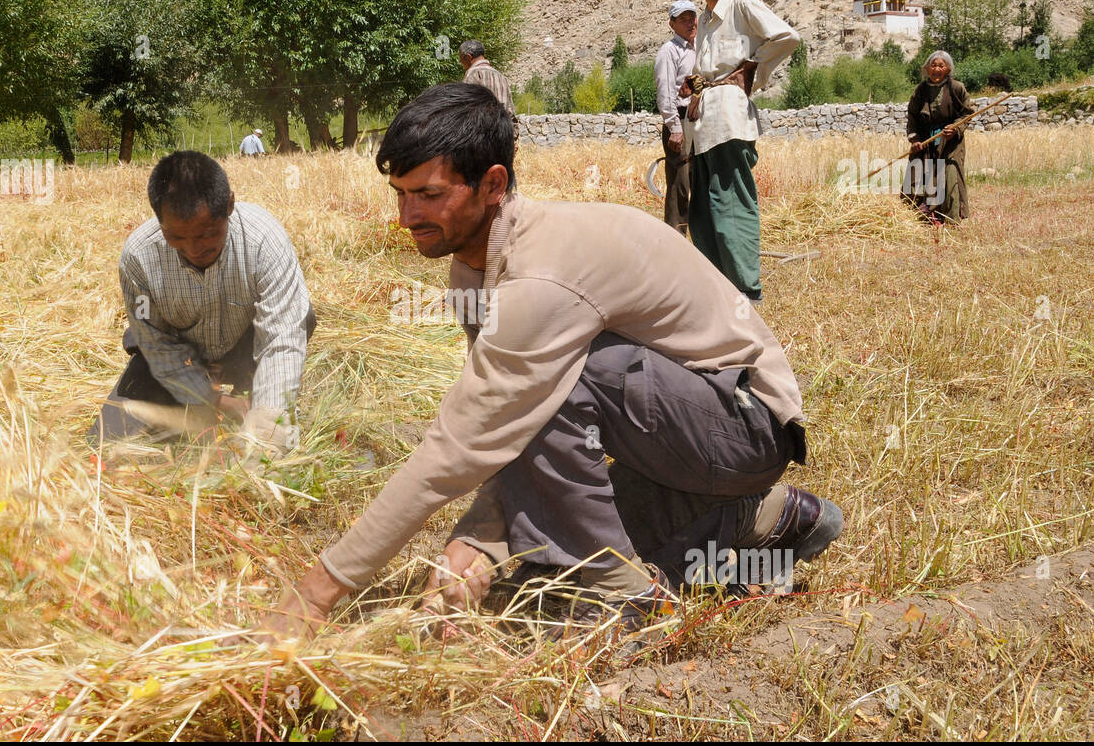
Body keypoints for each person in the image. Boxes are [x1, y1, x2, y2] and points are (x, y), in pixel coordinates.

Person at [264, 83, 843, 641]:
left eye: (430, 195)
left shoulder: (539, 279)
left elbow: (462, 442)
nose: (408, 216)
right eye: (401, 194)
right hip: (682, 432)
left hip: (746, 423)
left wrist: (318, 592)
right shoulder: (474, 267)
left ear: (493, 184)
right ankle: (759, 519)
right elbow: (500, 431)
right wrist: (479, 546)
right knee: (545, 574)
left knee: (568, 387)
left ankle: (626, 596)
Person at [88, 150, 315, 453]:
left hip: (242, 348)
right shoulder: (139, 258)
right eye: (177, 238)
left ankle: (253, 393)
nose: (193, 249)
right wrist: (213, 400)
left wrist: (267, 427)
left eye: (207, 234)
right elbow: (156, 345)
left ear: (230, 205)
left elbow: (280, 343)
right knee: (105, 443)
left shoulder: (264, 242)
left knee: (302, 318)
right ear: (159, 221)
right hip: (180, 356)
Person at [683, 0, 799, 304]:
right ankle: (716, 290)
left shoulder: (741, 5)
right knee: (703, 210)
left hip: (729, 119)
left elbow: (787, 37)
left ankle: (745, 291)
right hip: (704, 123)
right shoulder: (704, 18)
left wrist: (752, 70)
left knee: (731, 204)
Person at [902, 51, 972, 224]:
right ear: (927, 68)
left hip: (950, 141)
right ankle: (916, 213)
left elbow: (967, 114)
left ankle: (950, 216)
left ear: (947, 69)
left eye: (941, 66)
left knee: (949, 172)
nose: (937, 69)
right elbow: (912, 116)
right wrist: (915, 139)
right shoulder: (920, 90)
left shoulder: (957, 88)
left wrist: (955, 129)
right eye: (933, 65)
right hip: (925, 140)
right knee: (917, 169)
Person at [654, 0, 698, 233]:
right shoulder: (669, 51)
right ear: (672, 24)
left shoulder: (701, 47)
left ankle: (700, 242)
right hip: (680, 120)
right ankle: (675, 238)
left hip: (700, 118)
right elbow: (665, 93)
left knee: (699, 180)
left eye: (692, 17)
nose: (690, 22)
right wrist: (675, 127)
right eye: (684, 19)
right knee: (679, 185)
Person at [459, 39, 519, 134]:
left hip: (482, 137)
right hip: (502, 136)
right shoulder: (501, 77)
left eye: (461, 59)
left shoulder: (472, 74)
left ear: (468, 57)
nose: (461, 63)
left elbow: (465, 110)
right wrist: (514, 139)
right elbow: (510, 113)